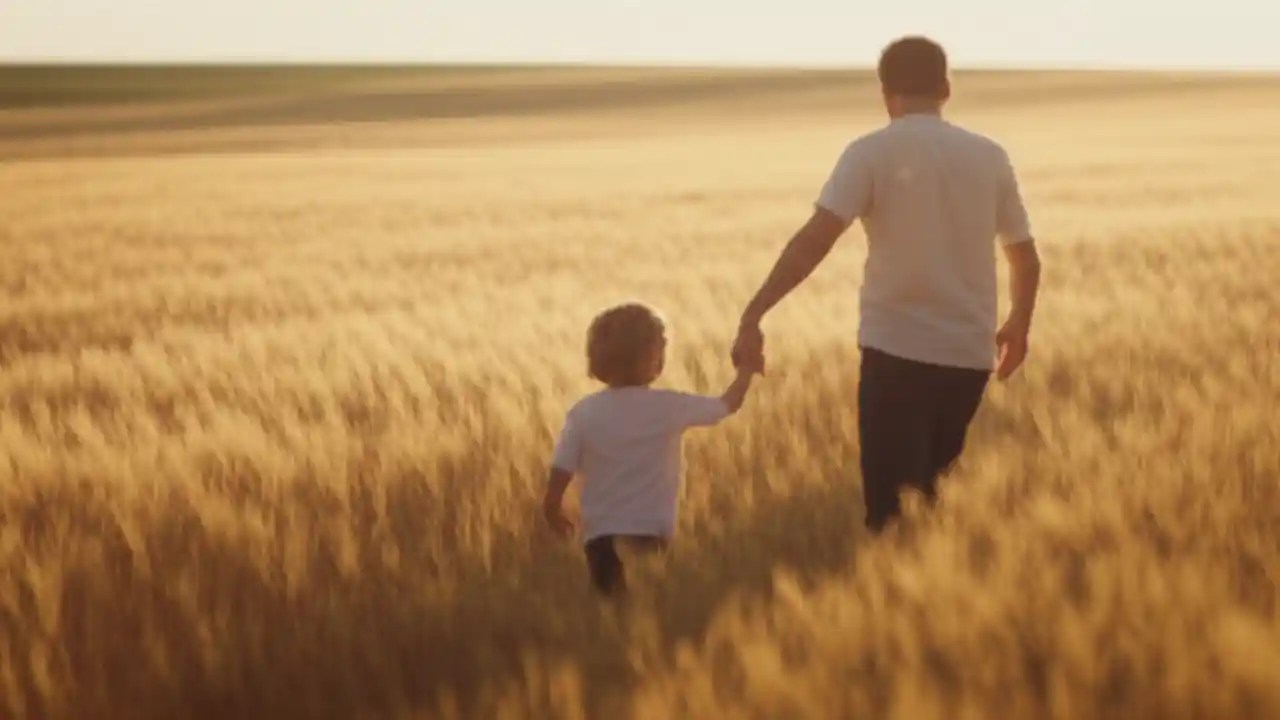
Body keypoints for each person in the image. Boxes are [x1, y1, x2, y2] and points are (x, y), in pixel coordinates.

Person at [732, 36, 1042, 532]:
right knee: (928, 500)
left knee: (891, 514)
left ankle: (903, 593)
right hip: (968, 355)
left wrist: (755, 312)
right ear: (946, 87)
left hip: (895, 350)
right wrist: (1019, 324)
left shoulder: (870, 152)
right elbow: (1025, 256)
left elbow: (816, 240)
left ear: (884, 92)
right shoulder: (990, 155)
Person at [544, 303, 759, 594]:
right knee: (647, 603)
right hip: (651, 529)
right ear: (650, 357)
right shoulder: (668, 406)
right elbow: (725, 406)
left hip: (600, 537)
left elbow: (562, 466)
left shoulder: (583, 412)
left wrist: (553, 505)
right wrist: (746, 371)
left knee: (611, 605)